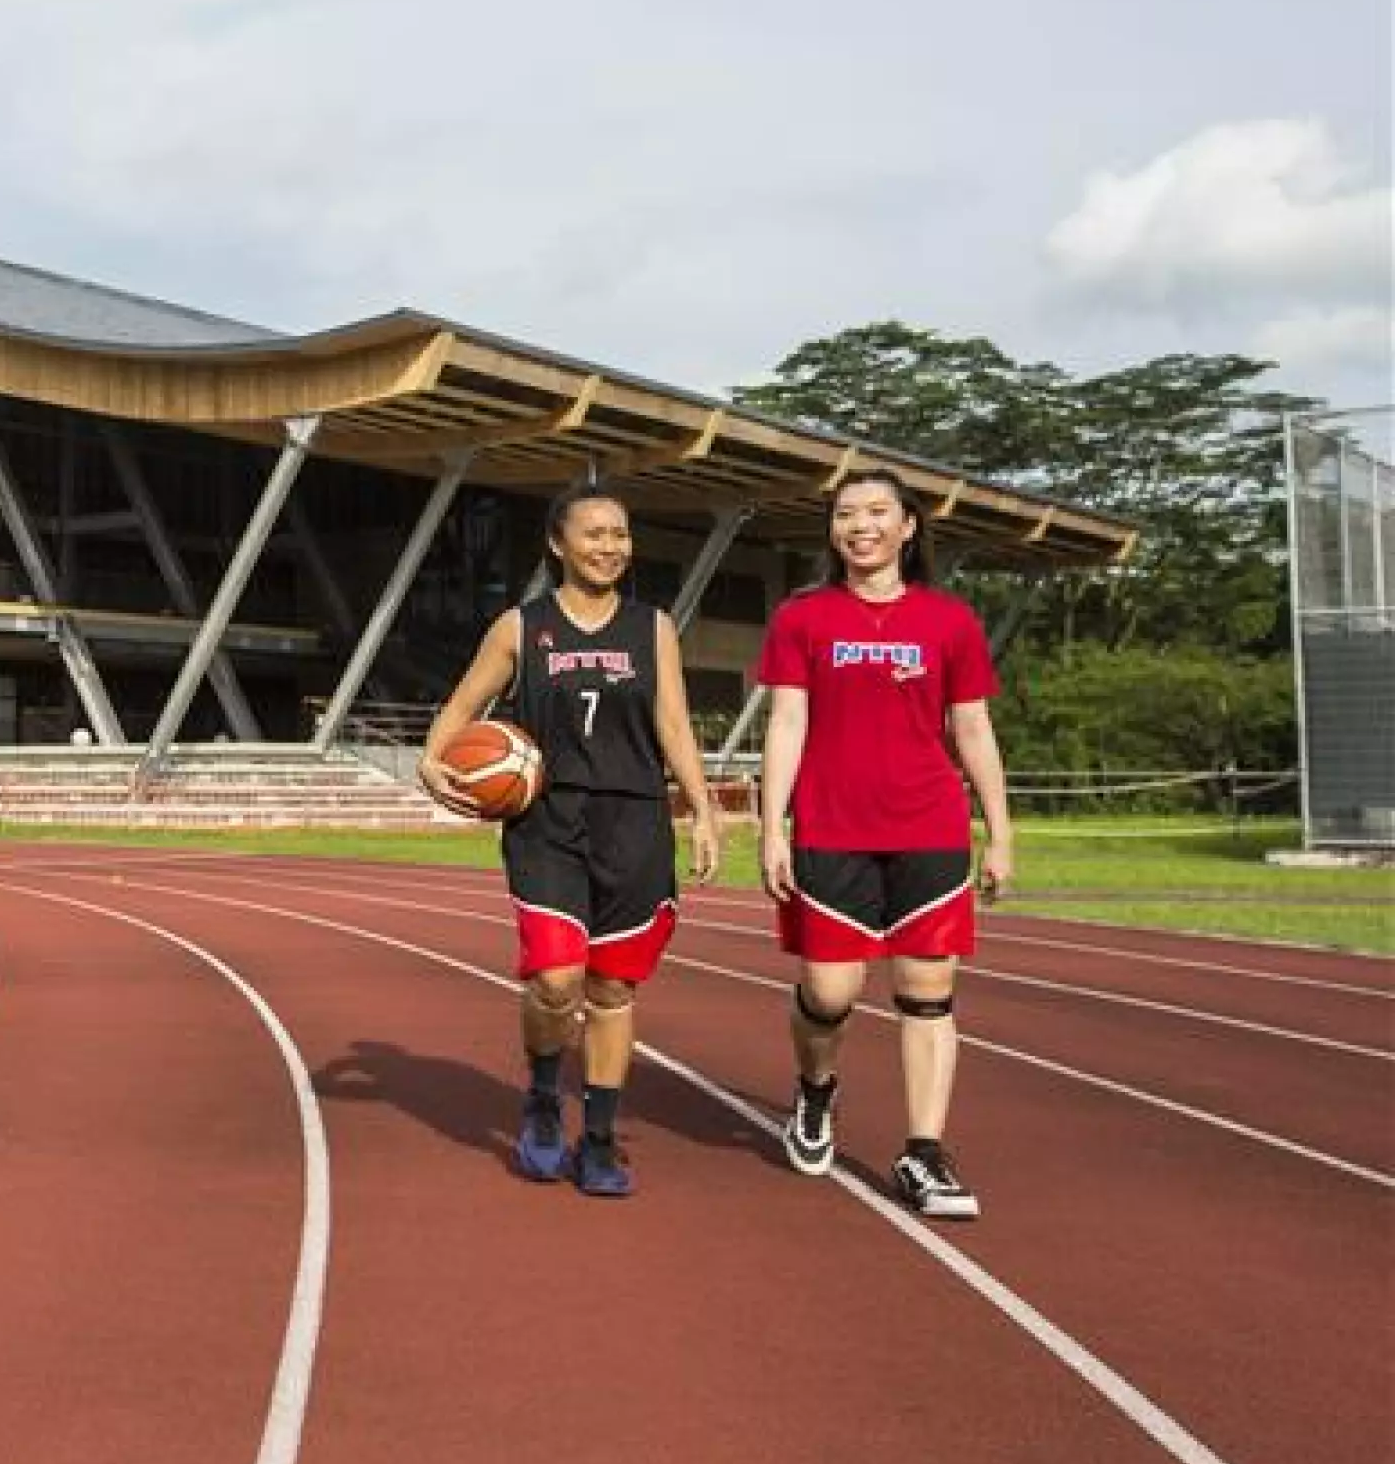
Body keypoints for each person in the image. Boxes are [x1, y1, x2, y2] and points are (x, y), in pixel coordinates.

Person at [418, 481, 724, 1198]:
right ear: (557, 542)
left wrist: (703, 808)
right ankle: (544, 1096)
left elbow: (675, 726)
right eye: (594, 533)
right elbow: (461, 707)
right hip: (548, 823)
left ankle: (602, 1138)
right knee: (557, 981)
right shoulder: (521, 627)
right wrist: (434, 766)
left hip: (635, 821)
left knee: (612, 986)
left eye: (620, 533)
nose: (610, 546)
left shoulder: (653, 628)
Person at [757, 469, 1015, 1221]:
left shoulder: (949, 621)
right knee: (831, 994)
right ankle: (815, 1091)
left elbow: (972, 728)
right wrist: (773, 825)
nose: (860, 525)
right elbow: (787, 723)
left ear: (909, 526)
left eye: (877, 512)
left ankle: (924, 1150)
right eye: (845, 513)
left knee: (927, 995)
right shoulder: (803, 619)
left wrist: (1000, 831)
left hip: (930, 827)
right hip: (831, 829)